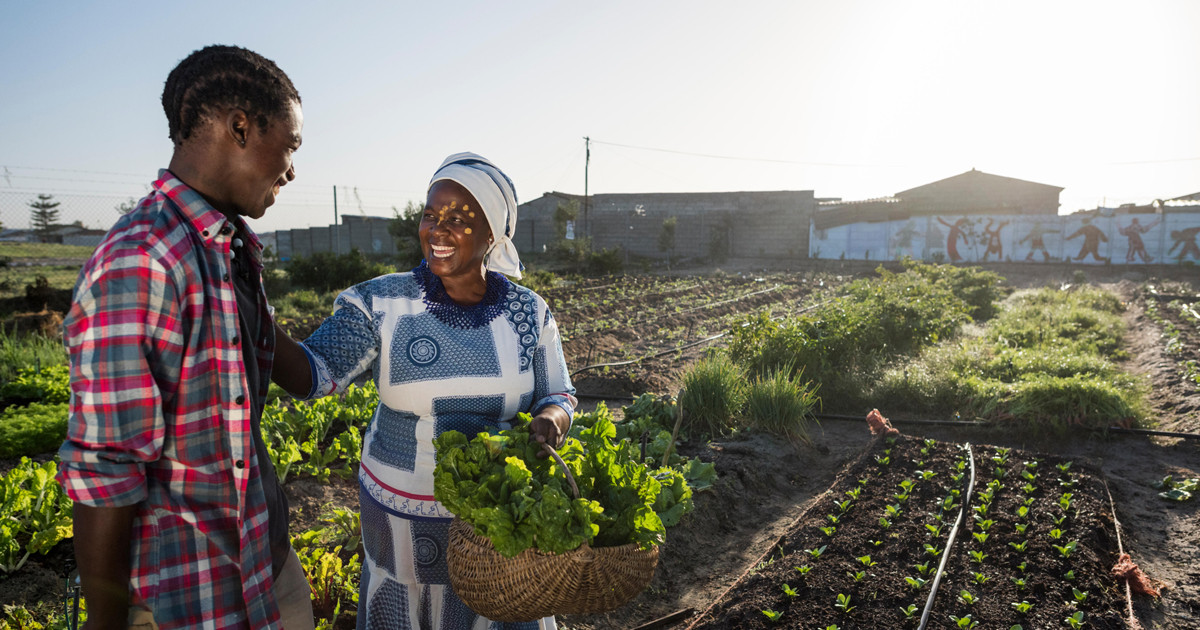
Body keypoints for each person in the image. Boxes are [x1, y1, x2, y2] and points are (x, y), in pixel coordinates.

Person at [57, 45, 314, 630]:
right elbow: (104, 469)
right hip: (189, 601)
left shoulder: (226, 244)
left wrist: (380, 337)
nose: (293, 169)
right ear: (240, 127)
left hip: (264, 568)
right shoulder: (143, 259)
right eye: (292, 144)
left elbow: (268, 351)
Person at [272, 152, 577, 630]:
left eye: (458, 219)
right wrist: (254, 320)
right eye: (431, 215)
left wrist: (552, 421)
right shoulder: (380, 303)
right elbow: (314, 374)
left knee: (495, 612)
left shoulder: (528, 313)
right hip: (400, 523)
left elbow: (559, 394)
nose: (438, 230)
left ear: (493, 233)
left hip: (497, 524)